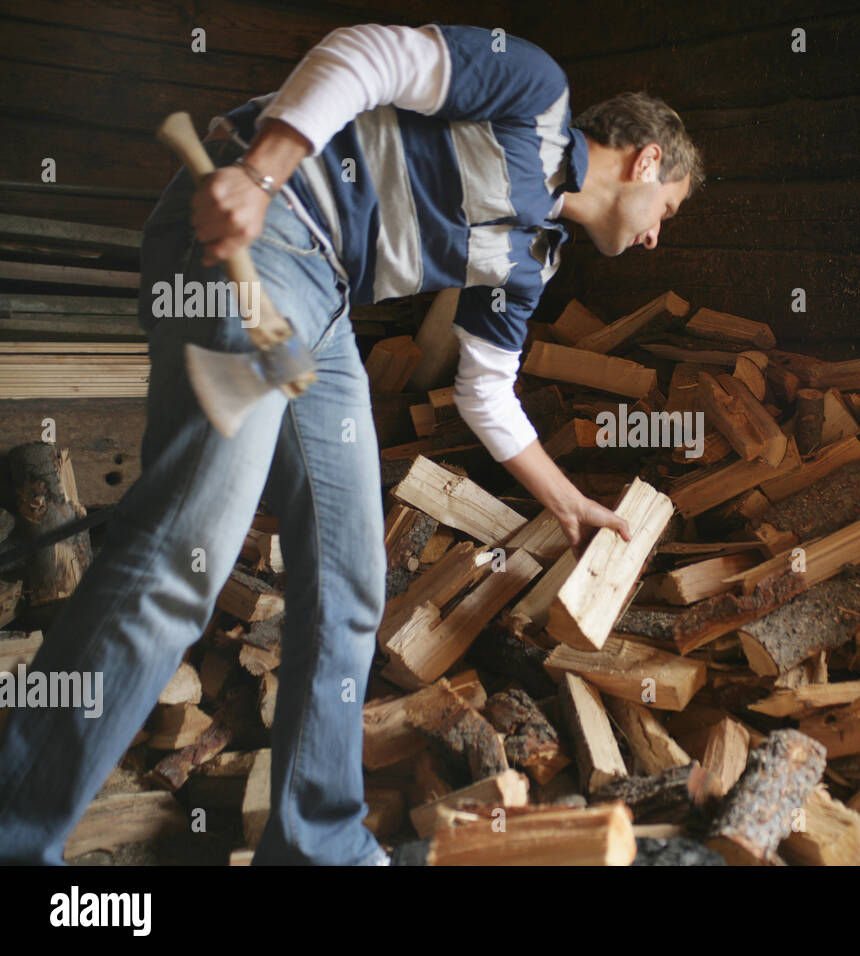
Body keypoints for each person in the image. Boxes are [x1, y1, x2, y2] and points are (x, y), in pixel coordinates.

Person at [0, 21, 704, 865]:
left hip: (323, 303)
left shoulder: (534, 258)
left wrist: (569, 504)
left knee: (350, 574)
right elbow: (363, 54)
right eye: (668, 212)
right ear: (648, 162)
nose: (659, 235)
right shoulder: (537, 93)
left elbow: (486, 391)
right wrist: (260, 174)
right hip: (263, 232)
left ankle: (314, 842)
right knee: (181, 562)